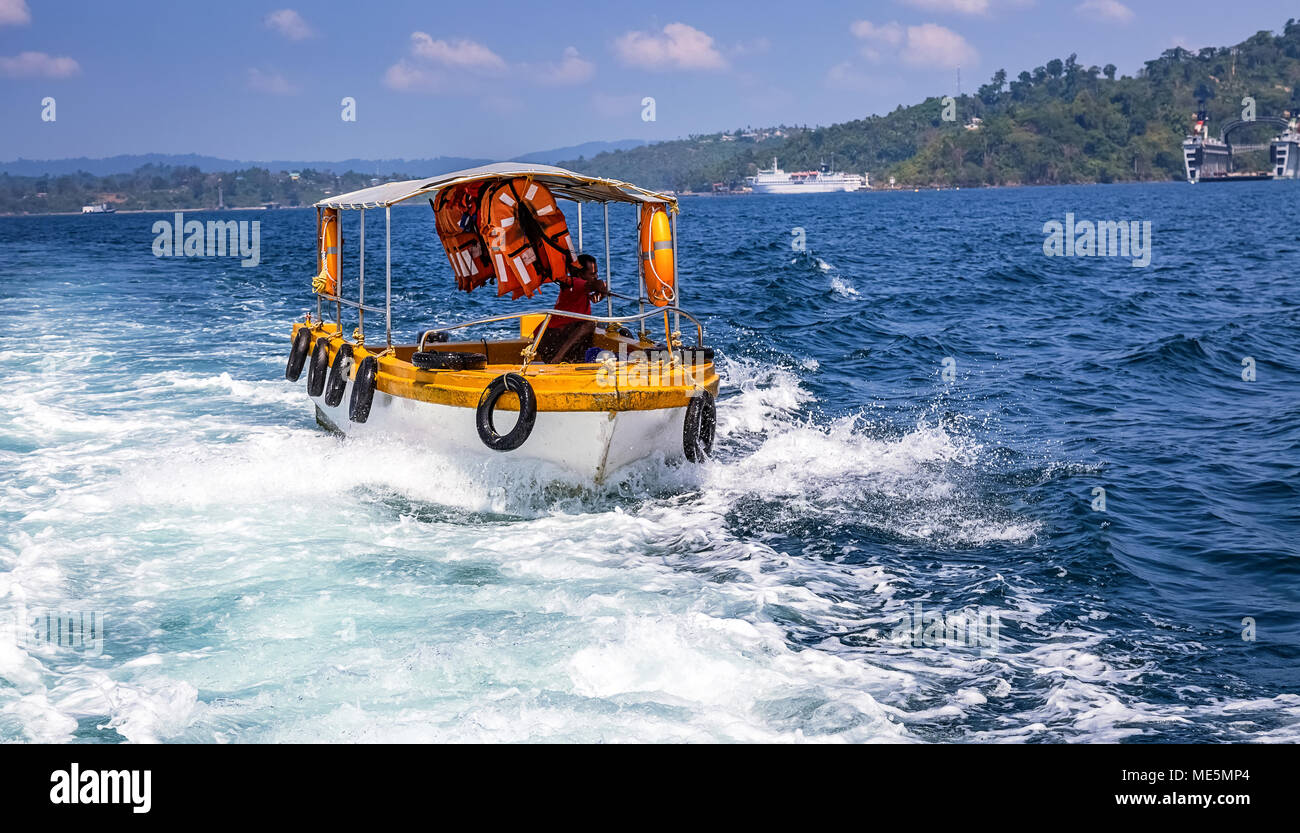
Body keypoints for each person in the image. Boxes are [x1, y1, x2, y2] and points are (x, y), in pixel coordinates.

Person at [537, 254, 609, 362]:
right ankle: (557, 359)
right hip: (551, 338)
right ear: (581, 274)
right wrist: (602, 289)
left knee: (596, 325)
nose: (596, 276)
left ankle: (566, 359)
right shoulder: (575, 283)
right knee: (589, 324)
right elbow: (597, 284)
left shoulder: (579, 286)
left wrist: (600, 292)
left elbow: (594, 288)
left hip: (556, 336)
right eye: (592, 274)